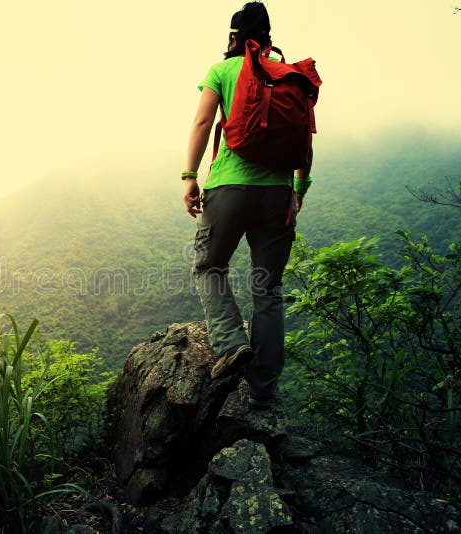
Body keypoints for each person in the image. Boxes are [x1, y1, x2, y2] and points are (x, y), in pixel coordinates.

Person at [182, 1, 313, 409]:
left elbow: (203, 122)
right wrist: (298, 188)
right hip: (277, 193)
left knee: (209, 266)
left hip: (228, 189)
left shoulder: (222, 70)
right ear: (269, 36)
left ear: (233, 37)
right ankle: (263, 391)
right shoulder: (289, 77)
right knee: (267, 288)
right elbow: (306, 138)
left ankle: (230, 343)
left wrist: (189, 176)